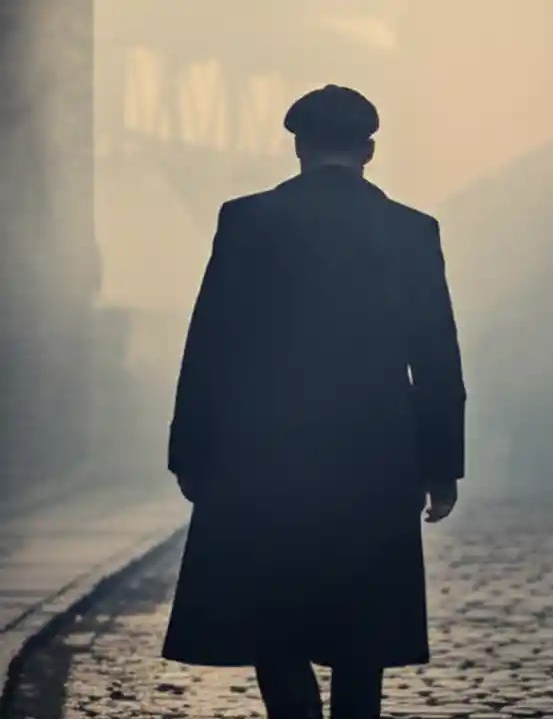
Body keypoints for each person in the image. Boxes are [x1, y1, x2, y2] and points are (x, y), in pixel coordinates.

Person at [161, 84, 466, 719]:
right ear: (369, 150)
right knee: (365, 610)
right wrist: (440, 465)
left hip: (265, 451)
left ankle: (294, 711)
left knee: (273, 604)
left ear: (298, 146)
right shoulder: (411, 231)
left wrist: (191, 451)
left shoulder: (247, 220)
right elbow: (435, 356)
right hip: (375, 453)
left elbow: (211, 343)